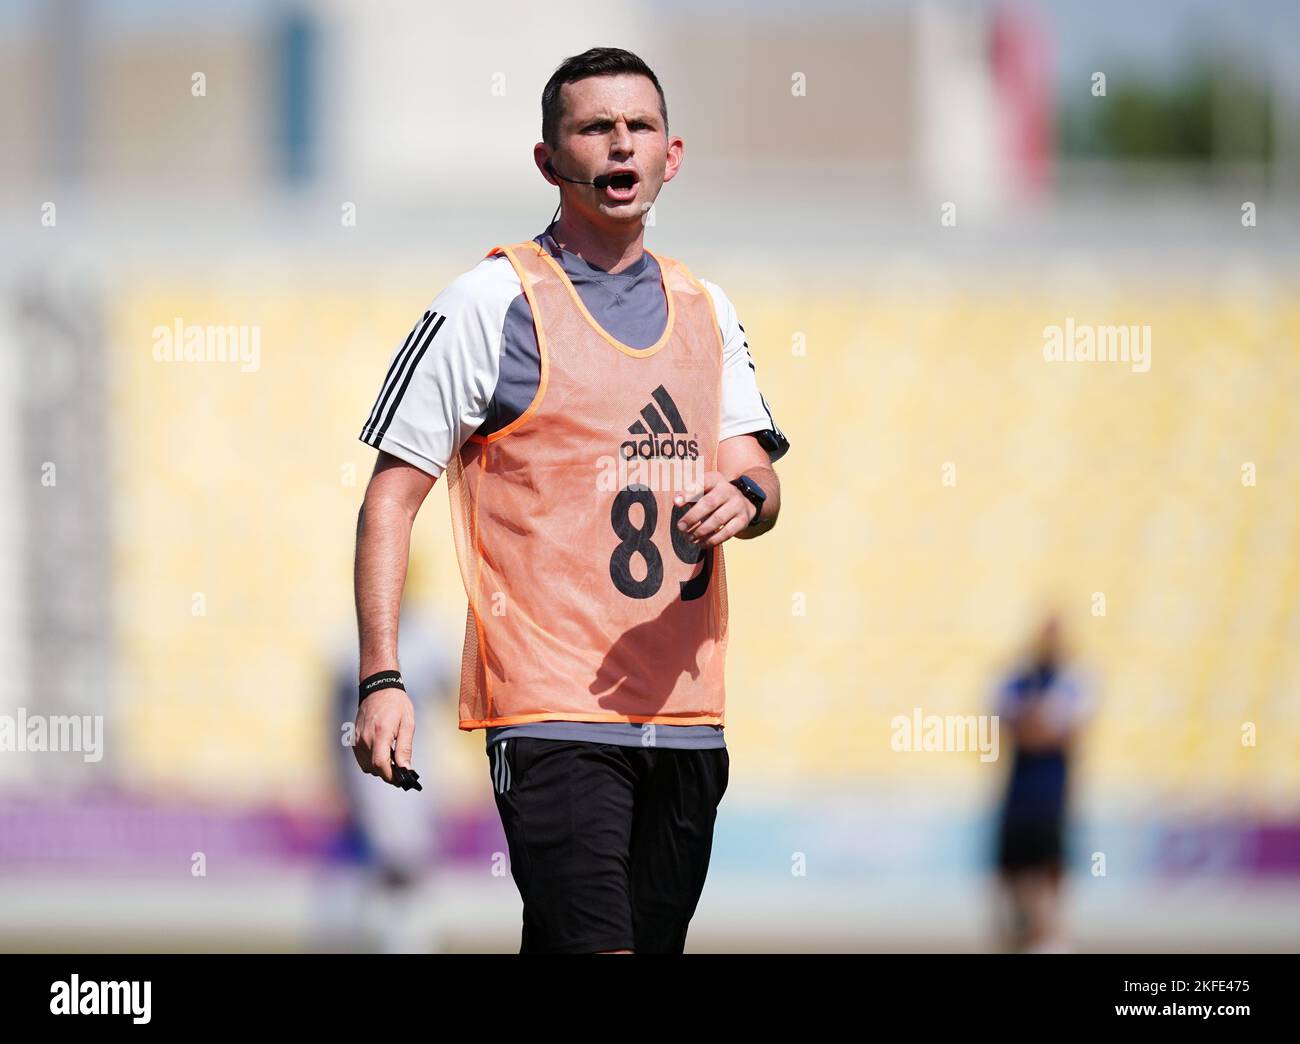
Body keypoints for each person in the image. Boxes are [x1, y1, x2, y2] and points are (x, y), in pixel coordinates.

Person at [351, 46, 789, 954]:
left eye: (638, 127)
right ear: (550, 160)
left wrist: (744, 496)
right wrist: (383, 678)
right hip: (551, 710)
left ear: (672, 154)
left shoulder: (708, 308)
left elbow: (760, 473)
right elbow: (391, 499)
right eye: (594, 128)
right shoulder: (490, 302)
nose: (619, 146)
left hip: (685, 713)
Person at [992, 613, 1094, 953]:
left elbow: (1059, 732)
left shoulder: (1073, 681)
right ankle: (1024, 938)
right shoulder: (1016, 679)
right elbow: (1011, 726)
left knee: (1049, 879)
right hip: (1018, 799)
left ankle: (1047, 938)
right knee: (1013, 883)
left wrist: (1034, 726)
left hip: (1051, 799)